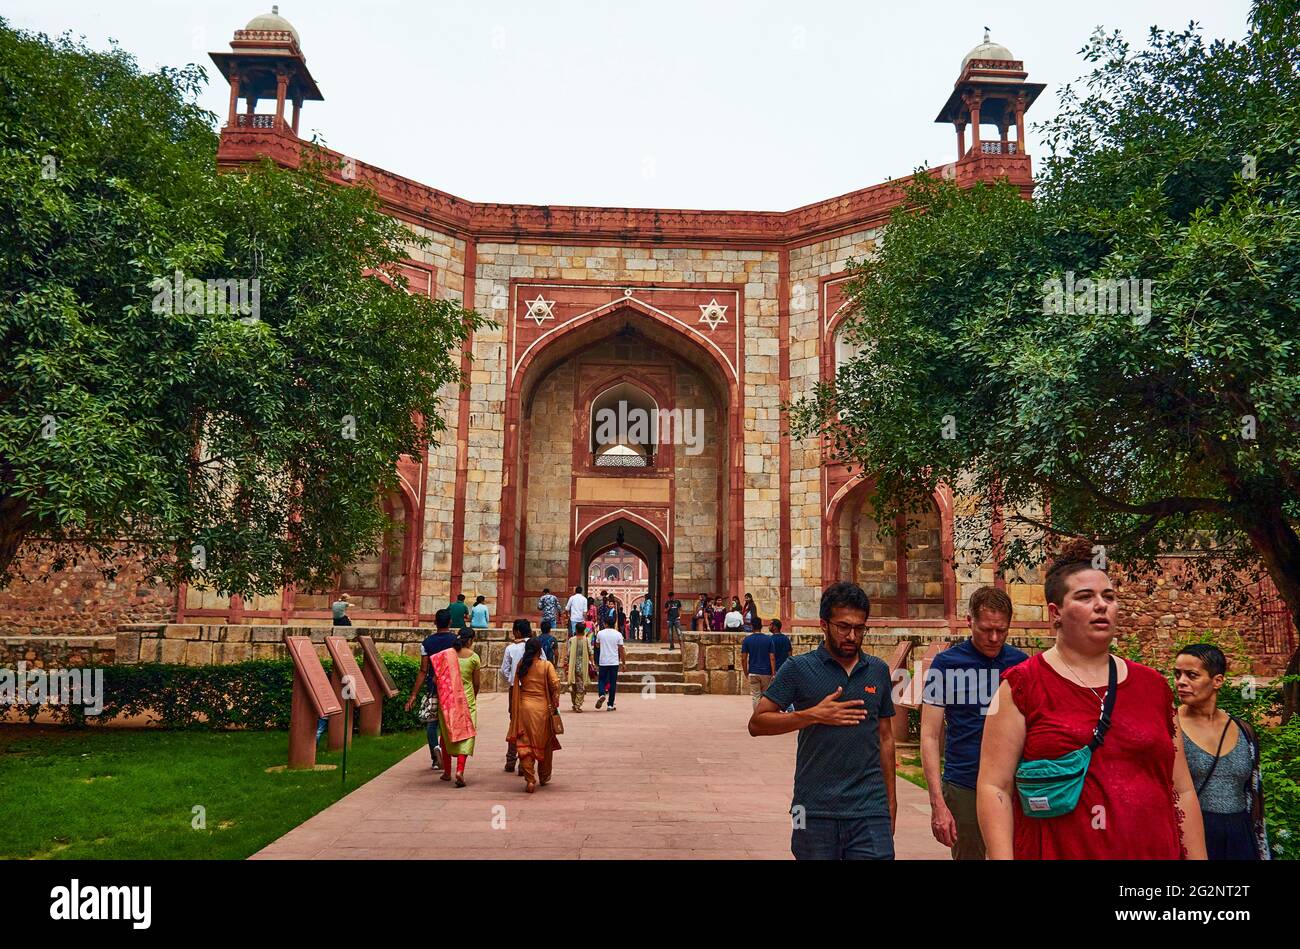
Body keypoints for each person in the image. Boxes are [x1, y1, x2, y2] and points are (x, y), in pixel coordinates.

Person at [976, 542, 1207, 860]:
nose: (1102, 605)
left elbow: (1181, 789)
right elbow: (994, 788)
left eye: (1108, 597)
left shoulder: (1153, 687)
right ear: (1055, 613)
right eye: (1085, 597)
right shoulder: (1020, 687)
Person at [749, 582, 897, 860]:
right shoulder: (798, 668)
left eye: (859, 628)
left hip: (869, 808)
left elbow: (885, 737)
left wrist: (891, 802)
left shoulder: (877, 671)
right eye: (843, 626)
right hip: (812, 808)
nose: (852, 635)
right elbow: (757, 723)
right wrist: (811, 715)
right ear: (823, 624)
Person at [920, 587, 1028, 860]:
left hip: (1012, 786)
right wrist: (938, 803)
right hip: (964, 784)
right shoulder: (945, 665)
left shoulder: (1021, 665)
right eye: (985, 629)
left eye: (1001, 631)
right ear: (969, 621)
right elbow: (930, 735)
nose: (993, 638)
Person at [1175, 644, 1269, 860]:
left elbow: (1254, 794)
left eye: (1191, 675)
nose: (1181, 681)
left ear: (1217, 681)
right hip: (1192, 837)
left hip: (1241, 838)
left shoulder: (1244, 731)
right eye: (1177, 674)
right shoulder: (1170, 728)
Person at [404, 608, 460, 772]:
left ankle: (435, 753)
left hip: (433, 686)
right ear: (450, 622)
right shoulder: (455, 641)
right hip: (450, 687)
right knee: (447, 722)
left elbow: (423, 670)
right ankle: (446, 753)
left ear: (435, 622)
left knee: (431, 722)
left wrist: (413, 695)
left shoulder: (427, 643)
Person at [506, 638, 562, 792]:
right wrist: (555, 697)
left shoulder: (521, 666)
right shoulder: (546, 665)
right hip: (542, 709)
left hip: (524, 708)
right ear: (539, 650)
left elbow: (515, 685)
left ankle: (530, 780)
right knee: (544, 743)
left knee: (525, 744)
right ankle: (543, 776)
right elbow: (555, 684)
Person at [431, 629, 480, 787]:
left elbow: (435, 678)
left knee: (447, 733)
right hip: (467, 700)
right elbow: (476, 683)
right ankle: (460, 770)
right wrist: (473, 696)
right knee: (466, 734)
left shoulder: (446, 655)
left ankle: (447, 772)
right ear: (471, 640)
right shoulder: (474, 658)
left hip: (448, 700)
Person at [500, 619, 532, 773]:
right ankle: (524, 761)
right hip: (531, 690)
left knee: (514, 723)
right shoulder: (534, 647)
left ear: (517, 632)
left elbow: (504, 670)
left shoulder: (511, 649)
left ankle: (511, 760)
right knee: (528, 725)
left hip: (515, 690)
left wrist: (512, 680)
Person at [741, 619, 776, 709]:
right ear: (761, 626)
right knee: (765, 696)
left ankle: (756, 717)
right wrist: (773, 672)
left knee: (755, 696)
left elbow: (743, 658)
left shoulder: (747, 640)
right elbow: (772, 657)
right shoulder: (768, 639)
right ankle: (764, 716)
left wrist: (745, 672)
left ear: (752, 626)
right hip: (766, 672)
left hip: (753, 671)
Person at [594, 612, 626, 711]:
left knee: (602, 680)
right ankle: (610, 704)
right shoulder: (618, 635)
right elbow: (621, 650)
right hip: (614, 661)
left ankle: (602, 694)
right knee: (612, 682)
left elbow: (597, 645)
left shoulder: (600, 633)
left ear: (605, 624)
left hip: (603, 660)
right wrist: (624, 663)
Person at [564, 615, 592, 712]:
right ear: (584, 630)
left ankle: (574, 703)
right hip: (582, 666)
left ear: (576, 629)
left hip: (573, 666)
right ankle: (577, 704)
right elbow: (590, 652)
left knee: (574, 685)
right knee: (581, 687)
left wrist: (566, 664)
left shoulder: (572, 640)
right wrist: (592, 663)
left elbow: (568, 653)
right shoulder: (586, 640)